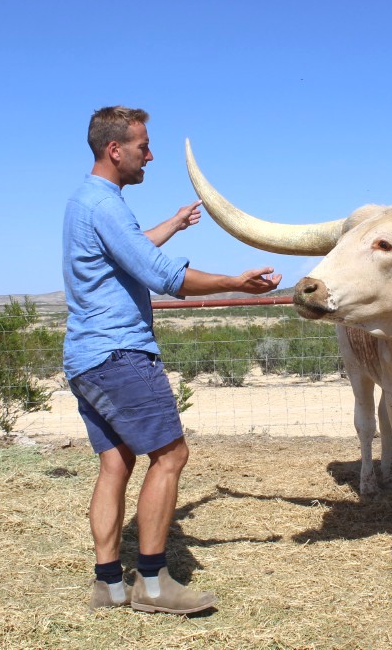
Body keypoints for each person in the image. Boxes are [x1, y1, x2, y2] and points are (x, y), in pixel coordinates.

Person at [62, 106, 281, 614]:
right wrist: (236, 282)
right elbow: (163, 276)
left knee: (115, 463)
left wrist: (175, 225)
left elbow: (131, 251)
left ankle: (109, 585)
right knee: (171, 456)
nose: (150, 154)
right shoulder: (106, 206)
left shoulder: (84, 202)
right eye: (142, 146)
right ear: (115, 150)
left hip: (85, 357)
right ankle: (155, 583)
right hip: (120, 353)